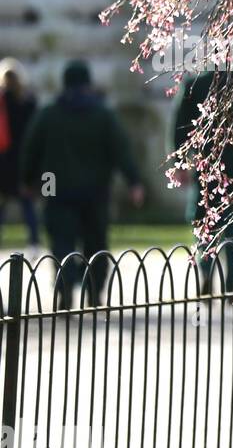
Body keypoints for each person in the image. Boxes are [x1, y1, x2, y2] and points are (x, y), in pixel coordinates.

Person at [19, 59, 145, 308]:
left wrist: (27, 181)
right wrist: (134, 182)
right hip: (95, 188)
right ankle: (94, 291)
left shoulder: (49, 113)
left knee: (61, 243)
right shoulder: (103, 114)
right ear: (88, 83)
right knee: (96, 244)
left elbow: (31, 149)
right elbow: (121, 151)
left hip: (52, 186)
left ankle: (64, 289)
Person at [172, 68, 233, 294]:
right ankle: (231, 278)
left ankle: (208, 272)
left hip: (208, 166)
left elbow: (180, 127)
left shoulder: (196, 85)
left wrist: (180, 160)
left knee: (205, 224)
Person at [0, 58, 40, 249]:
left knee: (2, 205)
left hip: (4, 159)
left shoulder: (2, 101)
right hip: (24, 160)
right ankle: (34, 242)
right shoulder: (29, 101)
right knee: (27, 204)